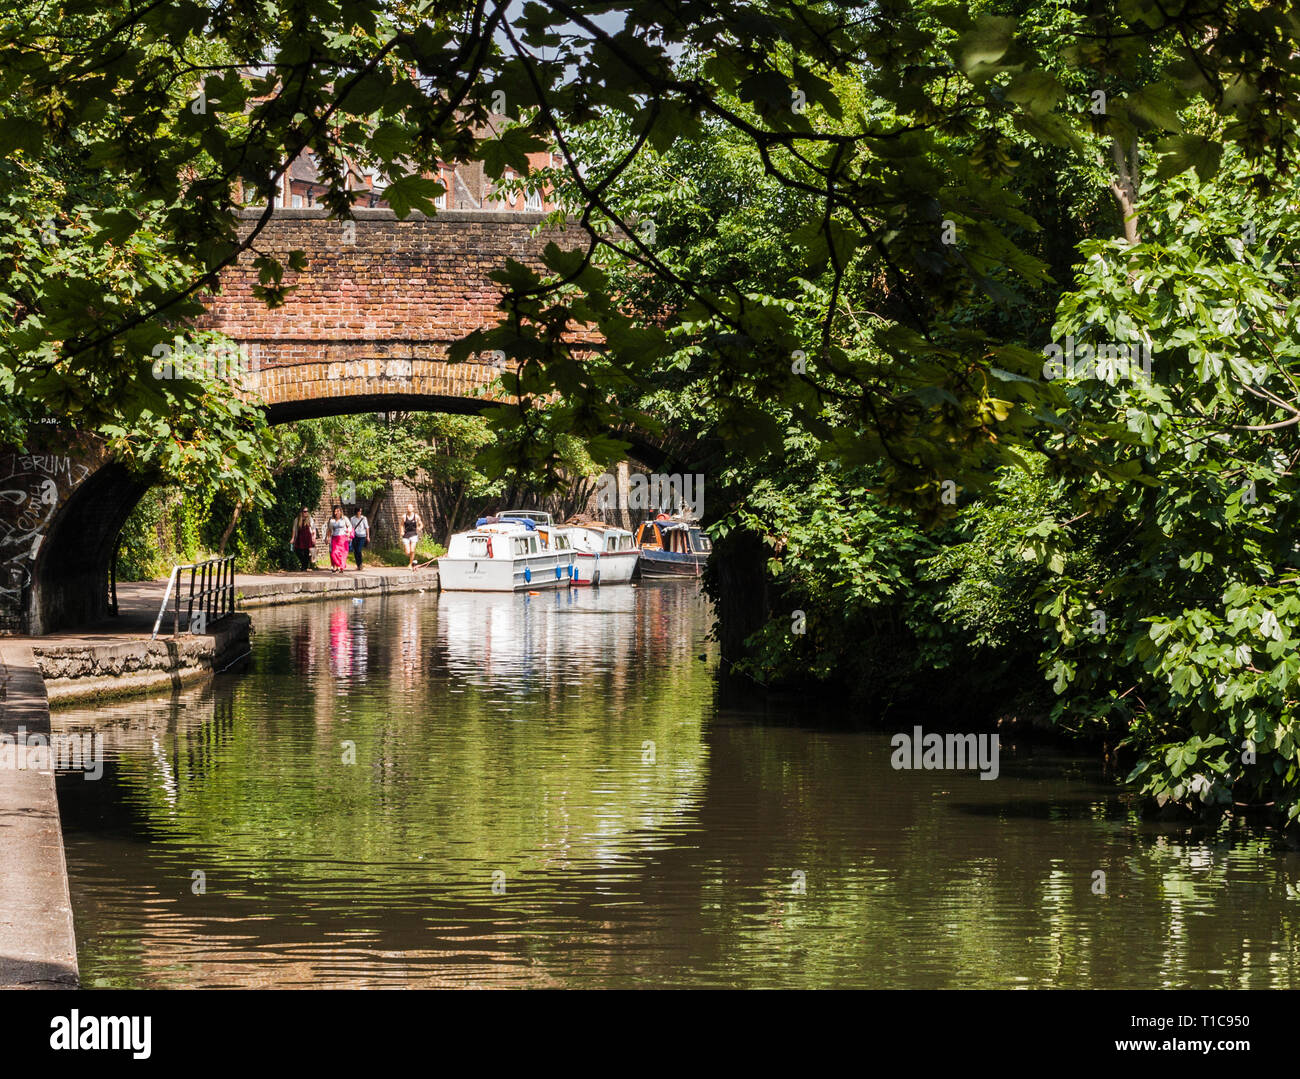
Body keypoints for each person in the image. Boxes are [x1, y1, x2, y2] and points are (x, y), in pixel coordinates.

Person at [327, 505, 353, 573]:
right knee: (334, 553)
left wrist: (349, 532)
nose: (336, 513)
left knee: (343, 553)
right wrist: (328, 537)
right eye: (335, 511)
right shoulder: (332, 520)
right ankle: (337, 565)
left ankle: (340, 567)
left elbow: (349, 526)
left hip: (343, 538)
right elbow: (329, 529)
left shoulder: (344, 518)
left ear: (341, 512)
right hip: (335, 538)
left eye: (338, 511)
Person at [401, 502, 423, 570]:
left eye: (411, 507)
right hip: (406, 535)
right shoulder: (404, 516)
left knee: (412, 550)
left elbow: (421, 524)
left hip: (413, 534)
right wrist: (401, 531)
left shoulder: (416, 516)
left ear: (413, 508)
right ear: (407, 508)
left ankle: (410, 564)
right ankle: (413, 561)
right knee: (408, 552)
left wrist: (419, 528)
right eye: (408, 507)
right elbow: (401, 525)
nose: (409, 508)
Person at [349, 505, 370, 570]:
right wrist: (350, 536)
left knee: (359, 550)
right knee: (355, 551)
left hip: (362, 536)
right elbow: (351, 528)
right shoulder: (352, 519)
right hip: (355, 536)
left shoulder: (364, 518)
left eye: (361, 511)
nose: (360, 512)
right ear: (356, 511)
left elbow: (367, 527)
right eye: (359, 511)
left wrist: (368, 536)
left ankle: (360, 563)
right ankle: (358, 565)